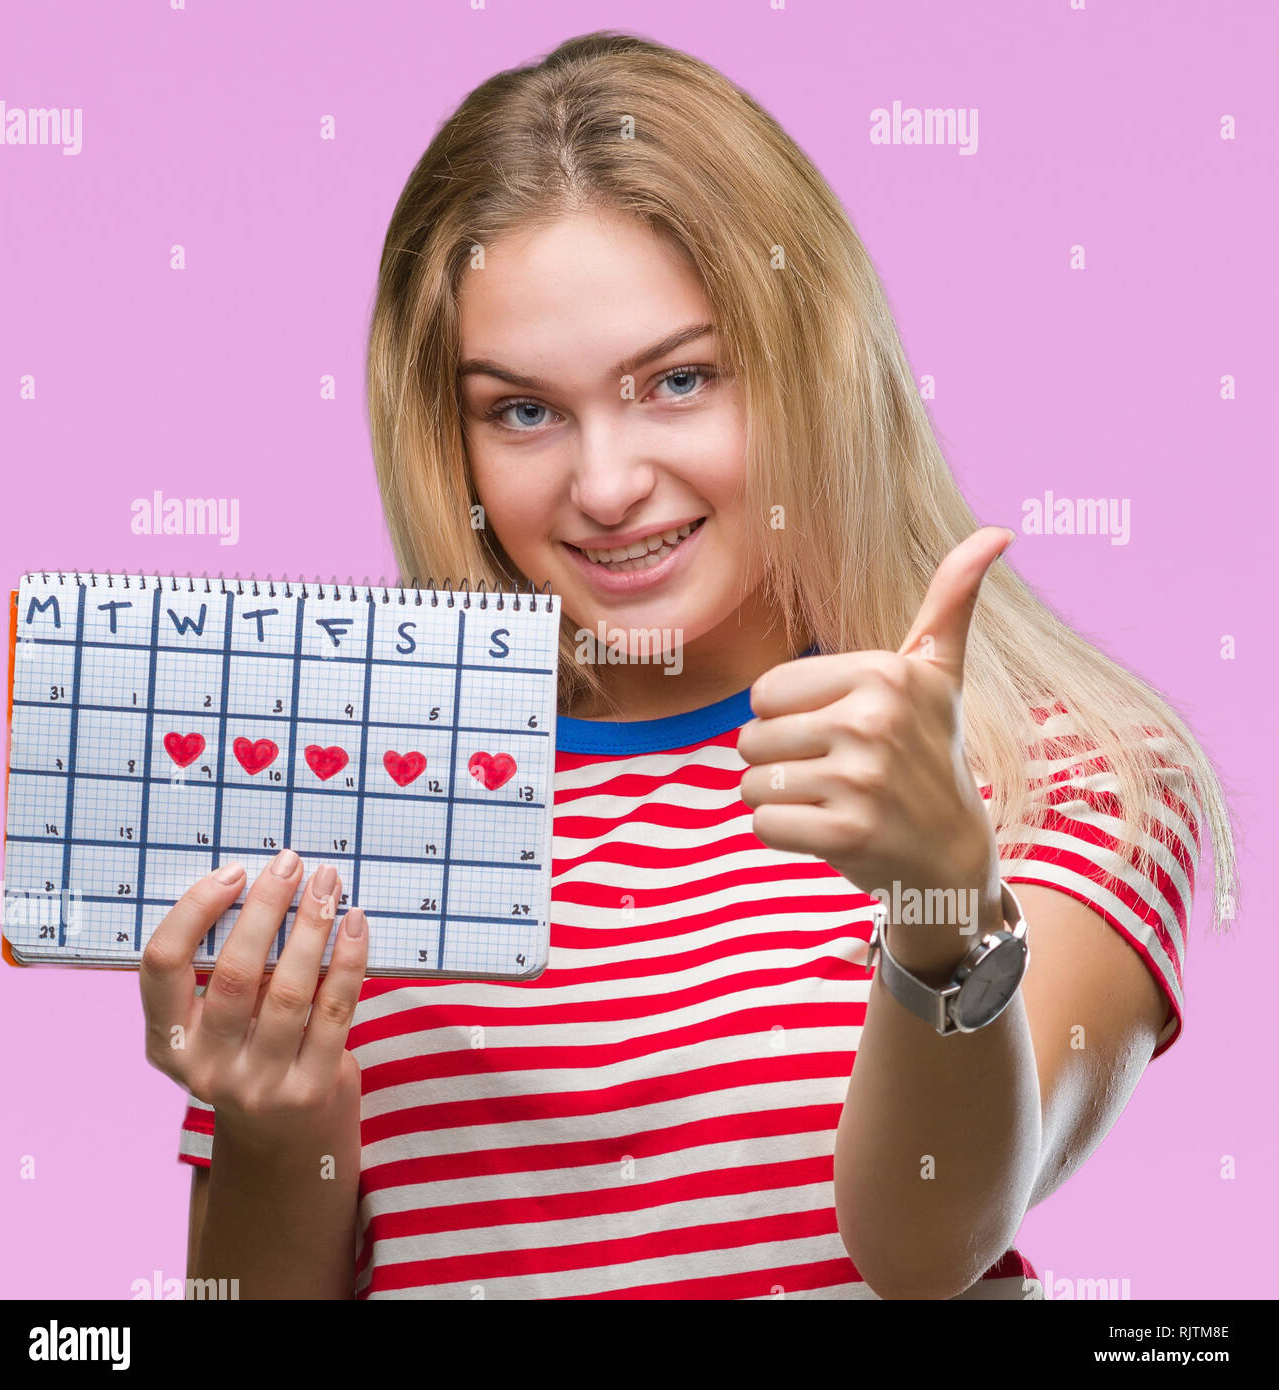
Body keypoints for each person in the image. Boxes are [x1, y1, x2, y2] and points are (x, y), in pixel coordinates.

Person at [142, 31, 1237, 1300]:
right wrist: (274, 1119)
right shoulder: (365, 801)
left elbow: (930, 1242)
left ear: (814, 365)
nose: (605, 486)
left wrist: (940, 906)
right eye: (523, 409)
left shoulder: (1052, 771)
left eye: (678, 380)